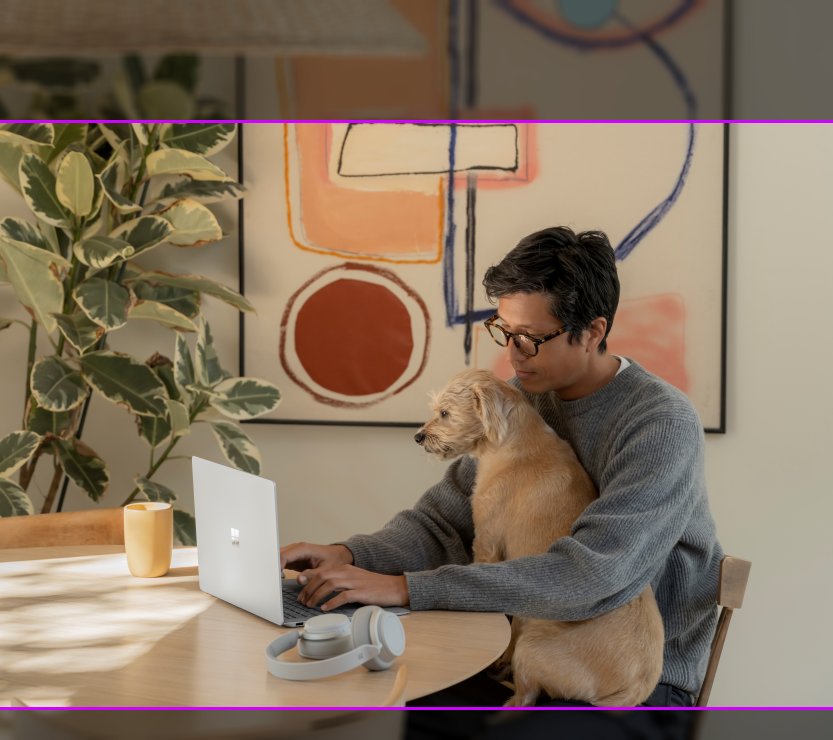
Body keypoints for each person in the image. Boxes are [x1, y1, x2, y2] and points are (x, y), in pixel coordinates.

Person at [279, 227, 722, 729]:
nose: (513, 354)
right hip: (523, 654)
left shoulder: (660, 424)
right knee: (425, 697)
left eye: (531, 338)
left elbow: (595, 575)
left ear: (594, 331)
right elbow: (443, 523)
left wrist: (409, 589)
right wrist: (354, 555)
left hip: (629, 683)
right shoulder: (519, 401)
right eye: (504, 330)